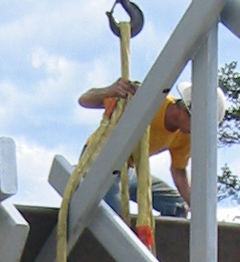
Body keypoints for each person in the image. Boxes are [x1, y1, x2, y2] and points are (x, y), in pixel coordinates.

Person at [76, 78, 227, 213]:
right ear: (185, 111)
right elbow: (84, 100)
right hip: (99, 160)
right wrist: (110, 91)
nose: (197, 130)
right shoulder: (151, 101)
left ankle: (160, 243)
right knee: (117, 218)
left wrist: (195, 207)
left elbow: (178, 170)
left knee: (177, 206)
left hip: (127, 170)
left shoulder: (186, 135)